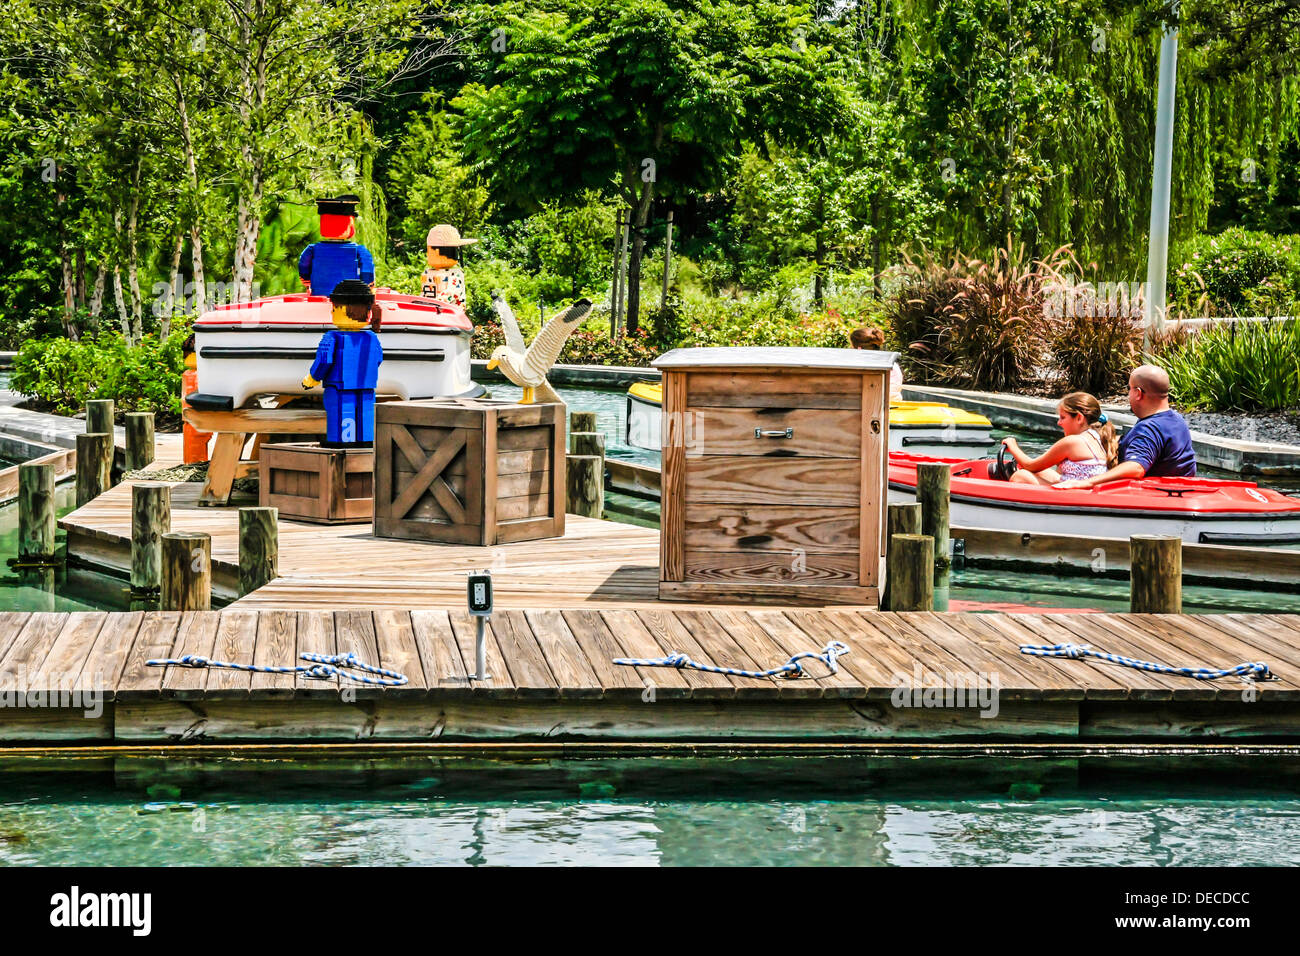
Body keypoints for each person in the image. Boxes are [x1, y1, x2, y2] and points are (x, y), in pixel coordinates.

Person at [1055, 364, 1196, 489]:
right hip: (1179, 491)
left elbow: (1136, 467)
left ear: (1138, 393)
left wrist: (1087, 482)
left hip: (1152, 497)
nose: (1128, 394)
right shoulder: (1176, 420)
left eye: (1129, 388)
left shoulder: (1148, 429)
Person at [302, 280, 384, 447]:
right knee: (366, 416)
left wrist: (311, 379)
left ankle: (344, 446)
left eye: (334, 308)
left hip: (339, 387)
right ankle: (366, 444)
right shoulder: (372, 337)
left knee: (342, 415)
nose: (332, 312)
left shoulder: (331, 338)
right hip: (367, 387)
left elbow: (324, 361)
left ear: (343, 309)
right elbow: (378, 360)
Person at [998, 392, 1118, 485]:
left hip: (1077, 494)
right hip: (1085, 490)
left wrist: (1013, 446)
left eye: (1063, 417)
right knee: (1042, 471)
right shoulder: (1098, 437)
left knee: (1020, 476)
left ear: (1079, 418)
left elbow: (1030, 465)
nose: (1059, 423)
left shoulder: (1073, 442)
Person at [298, 195, 375, 298]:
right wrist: (365, 288)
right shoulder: (359, 250)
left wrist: (307, 280)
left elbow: (303, 266)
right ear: (350, 224)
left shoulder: (312, 249)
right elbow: (367, 271)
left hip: (320, 295)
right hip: (349, 297)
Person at [420, 224, 477, 307]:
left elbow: (452, 292)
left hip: (449, 312)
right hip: (431, 310)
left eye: (429, 251)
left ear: (436, 252)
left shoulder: (455, 274)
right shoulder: (427, 272)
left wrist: (435, 302)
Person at [850, 326, 903, 401]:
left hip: (876, 403)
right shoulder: (891, 363)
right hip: (895, 403)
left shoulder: (864, 365)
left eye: (851, 346)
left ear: (859, 348)